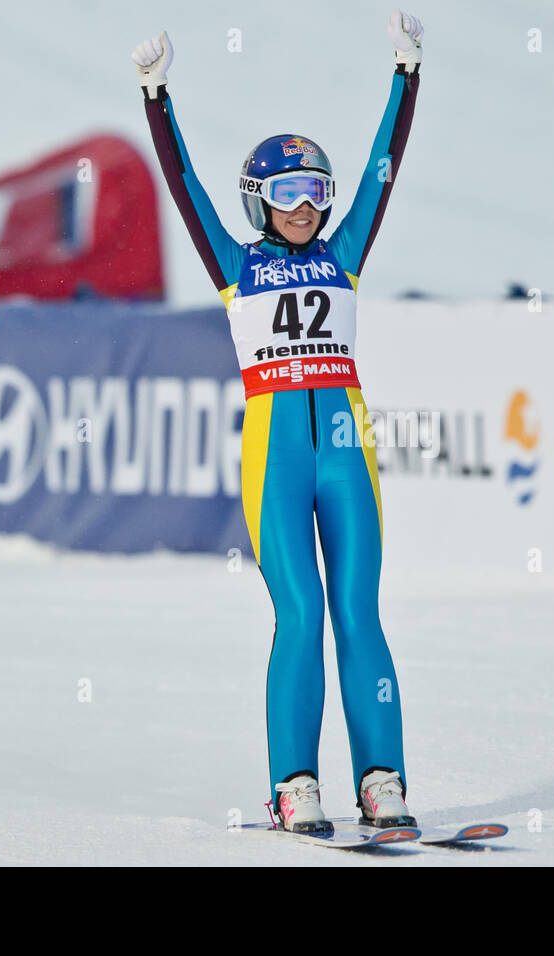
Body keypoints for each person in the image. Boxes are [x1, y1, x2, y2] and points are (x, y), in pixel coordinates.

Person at [133, 10, 423, 834]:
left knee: (358, 609)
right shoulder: (236, 265)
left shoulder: (346, 252)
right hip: (273, 458)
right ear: (260, 202)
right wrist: (157, 98)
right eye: (290, 193)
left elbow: (383, 171)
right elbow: (183, 187)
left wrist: (406, 76)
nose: (307, 207)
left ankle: (383, 781)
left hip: (344, 451)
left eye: (317, 193)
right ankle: (294, 786)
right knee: (298, 611)